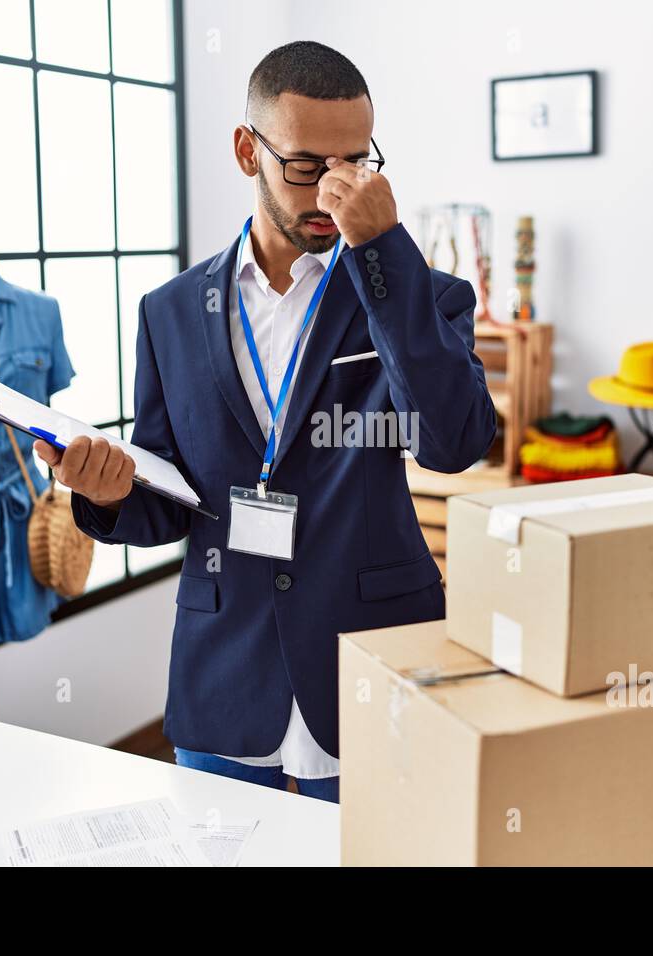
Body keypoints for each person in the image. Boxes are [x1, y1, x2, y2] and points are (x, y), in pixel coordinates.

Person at [35, 41, 496, 803]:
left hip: (373, 656)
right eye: (308, 166)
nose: (334, 190)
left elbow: (451, 443)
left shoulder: (419, 292)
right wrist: (108, 492)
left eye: (356, 162)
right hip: (225, 668)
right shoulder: (171, 312)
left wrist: (384, 255)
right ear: (248, 151)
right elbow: (168, 496)